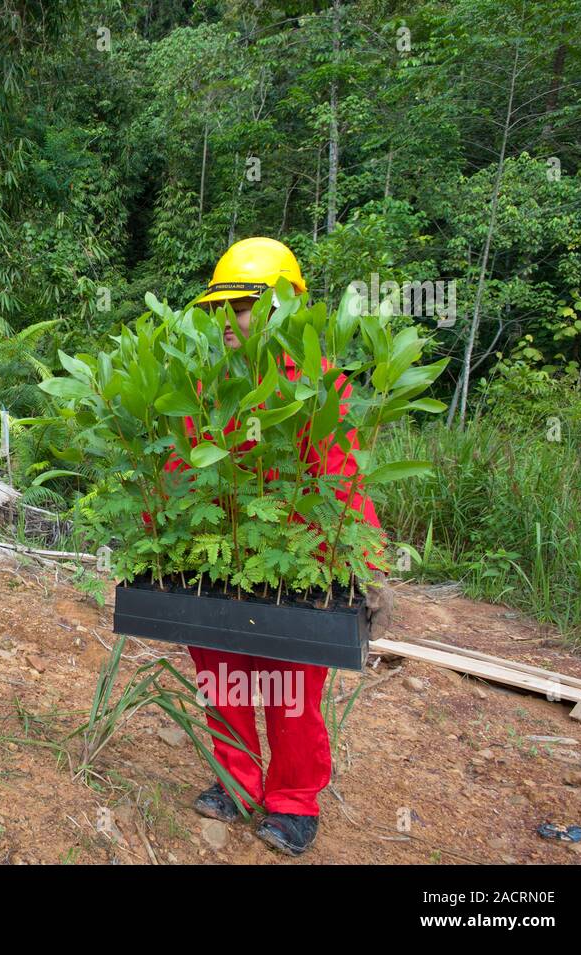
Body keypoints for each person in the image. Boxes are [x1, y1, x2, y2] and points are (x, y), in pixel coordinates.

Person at [170, 237, 394, 855]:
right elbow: (177, 471)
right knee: (223, 678)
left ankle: (293, 799)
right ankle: (236, 782)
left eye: (242, 306)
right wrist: (158, 541)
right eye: (220, 308)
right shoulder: (203, 386)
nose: (227, 321)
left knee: (291, 690)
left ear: (286, 307)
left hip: (301, 567)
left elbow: (346, 481)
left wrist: (368, 572)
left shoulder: (319, 387)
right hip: (219, 561)